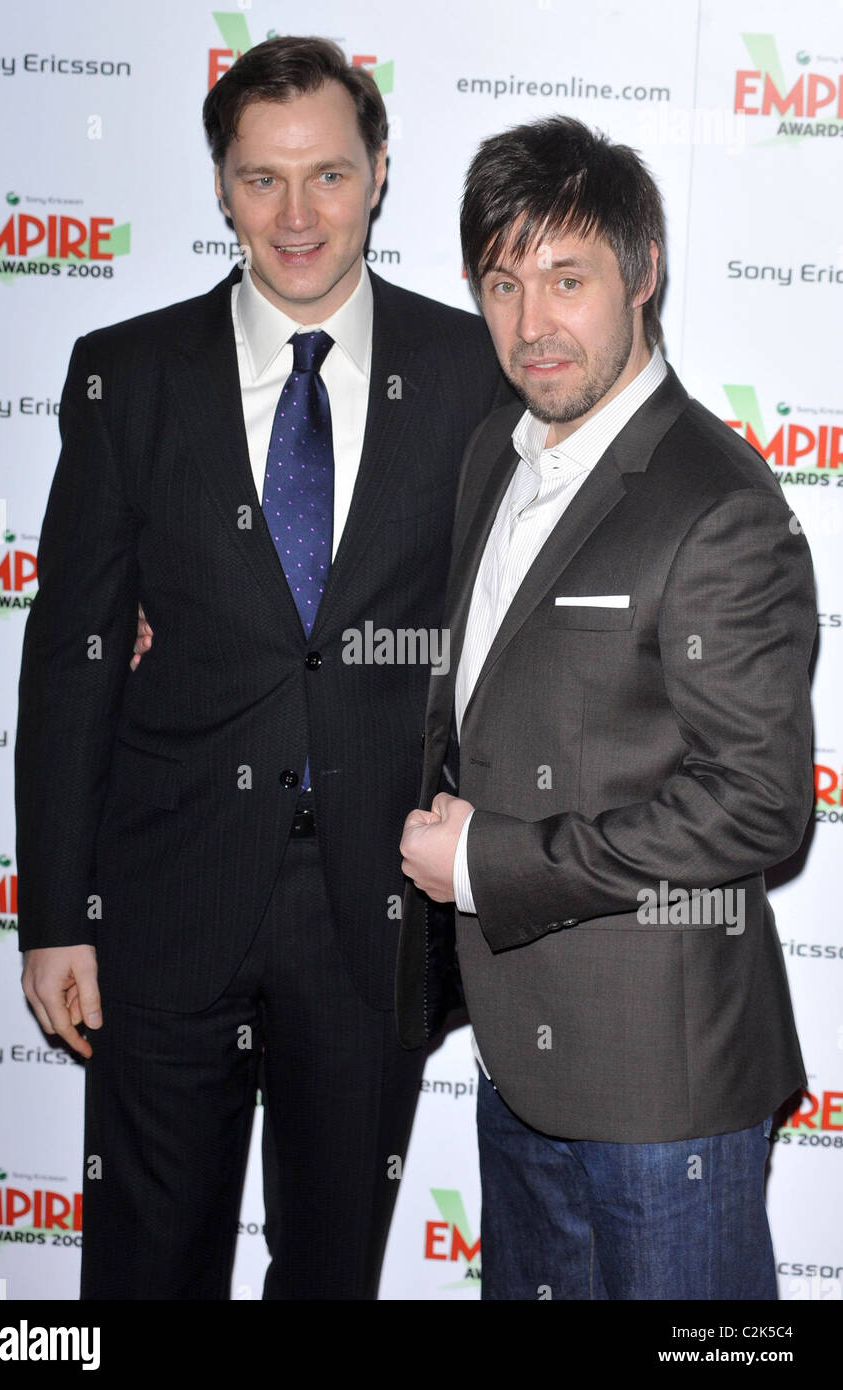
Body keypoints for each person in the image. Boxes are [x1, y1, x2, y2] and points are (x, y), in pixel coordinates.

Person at [15, 35, 509, 1300]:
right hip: (165, 907)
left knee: (332, 1272)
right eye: (263, 179)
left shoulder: (469, 378)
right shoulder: (126, 377)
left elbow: (515, 624)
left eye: (329, 176)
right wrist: (56, 914)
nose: (298, 216)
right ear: (221, 184)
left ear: (381, 172)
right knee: (143, 1268)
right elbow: (69, 661)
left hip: (376, 912)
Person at [397, 115, 816, 1301]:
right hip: (518, 1055)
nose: (533, 324)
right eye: (503, 283)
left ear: (644, 274)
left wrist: (495, 862)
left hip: (662, 1092)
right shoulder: (496, 450)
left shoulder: (714, 500)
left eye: (567, 279)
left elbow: (759, 807)